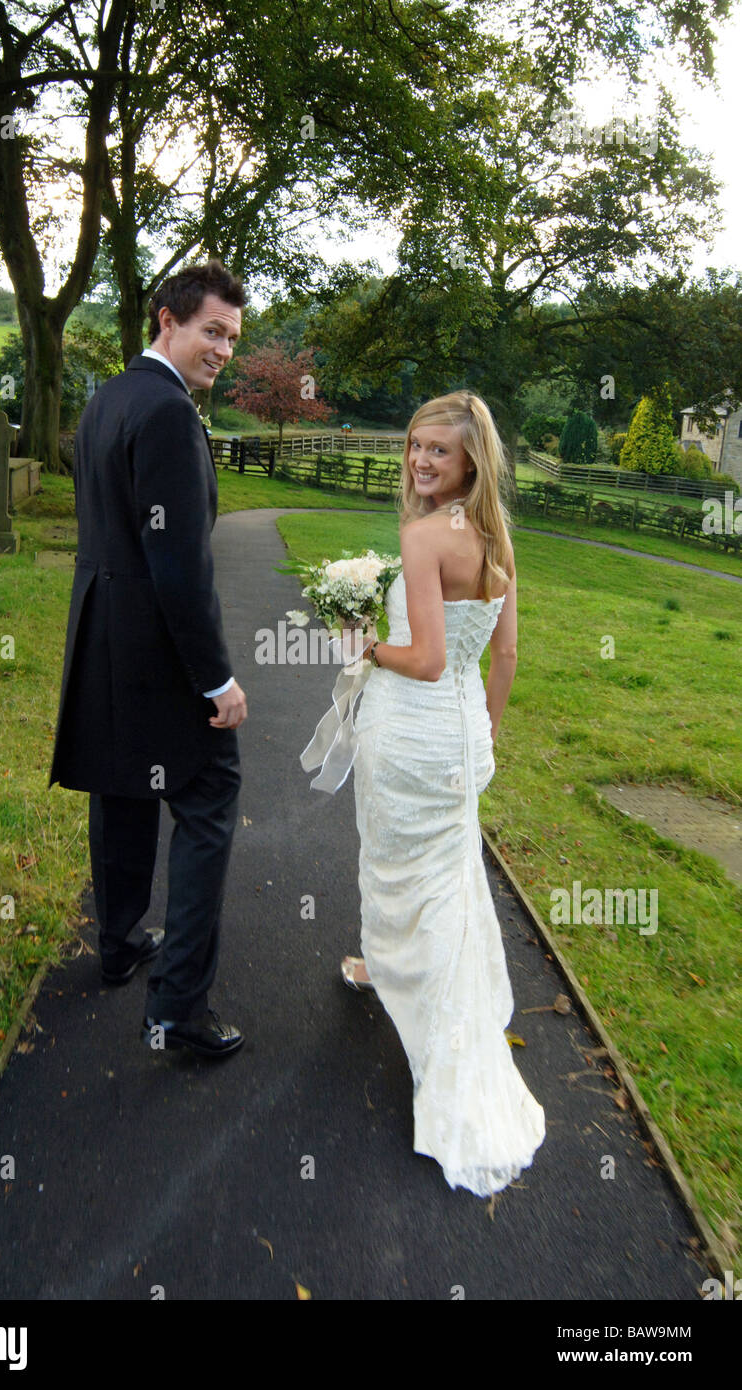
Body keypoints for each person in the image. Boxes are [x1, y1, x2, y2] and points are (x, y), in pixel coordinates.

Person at [343, 390, 545, 1195]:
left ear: (471, 461)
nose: (422, 461)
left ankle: (402, 983)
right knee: (447, 877)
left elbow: (425, 659)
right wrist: (488, 733)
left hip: (412, 735)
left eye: (439, 451)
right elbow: (504, 659)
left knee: (395, 863)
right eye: (416, 447)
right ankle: (386, 967)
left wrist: (364, 642)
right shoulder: (496, 539)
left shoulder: (425, 536)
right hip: (463, 739)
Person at [48, 259, 248, 1058]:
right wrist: (218, 679)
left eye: (232, 337)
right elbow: (177, 568)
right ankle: (178, 1008)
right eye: (212, 331)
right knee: (209, 796)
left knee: (124, 789)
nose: (224, 350)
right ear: (168, 320)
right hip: (155, 651)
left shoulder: (109, 396)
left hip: (102, 638)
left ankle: (121, 941)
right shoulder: (166, 413)